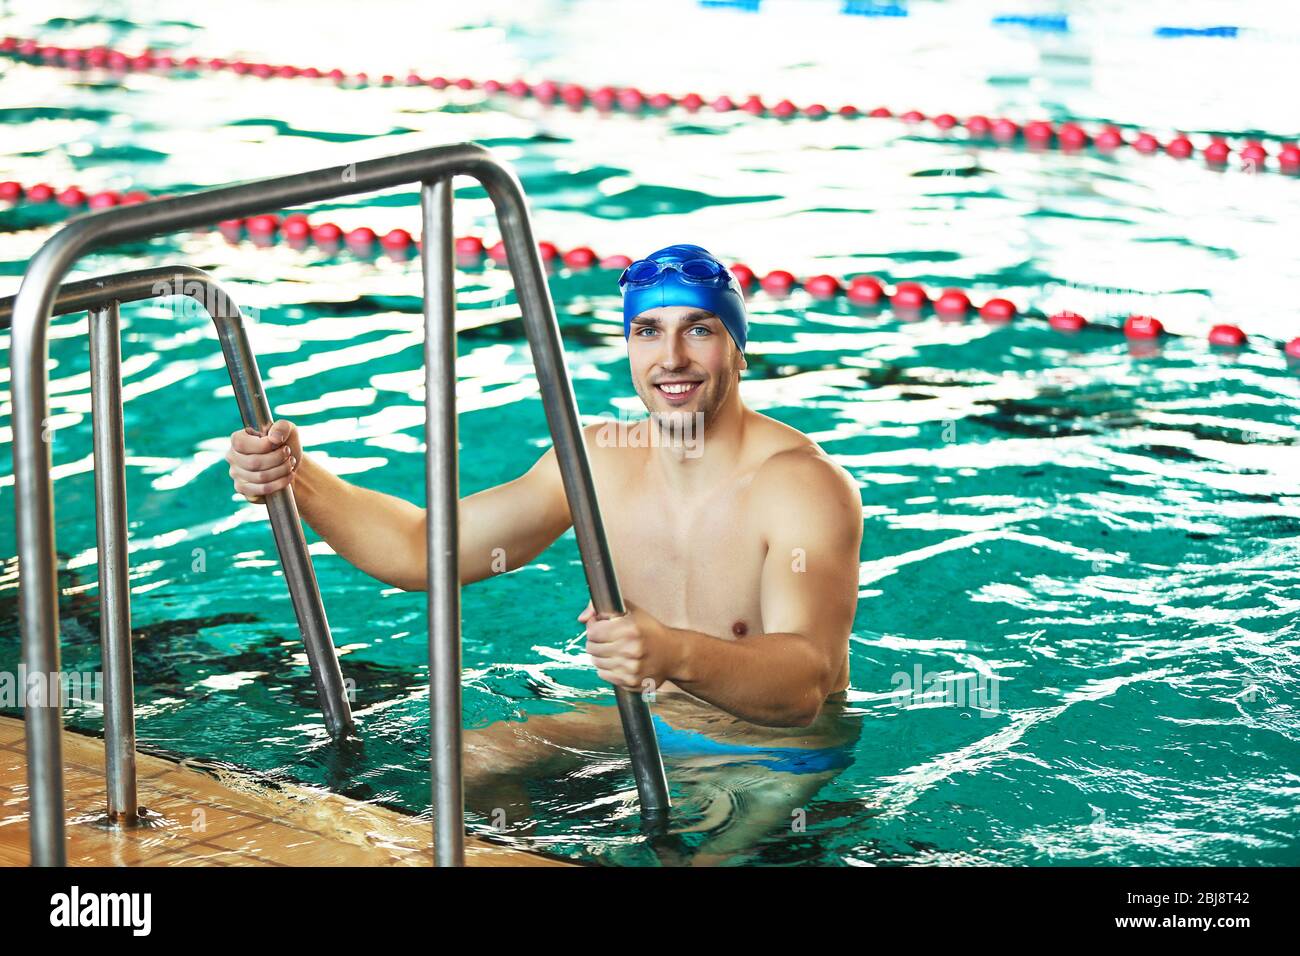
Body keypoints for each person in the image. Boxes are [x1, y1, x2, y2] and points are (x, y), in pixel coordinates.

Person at [224, 242, 864, 861]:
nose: (671, 357)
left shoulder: (801, 483)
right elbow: (422, 551)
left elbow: (803, 684)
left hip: (779, 753)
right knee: (475, 758)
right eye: (647, 331)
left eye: (698, 329)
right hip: (653, 724)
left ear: (737, 345)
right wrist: (295, 473)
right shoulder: (599, 460)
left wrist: (675, 651)